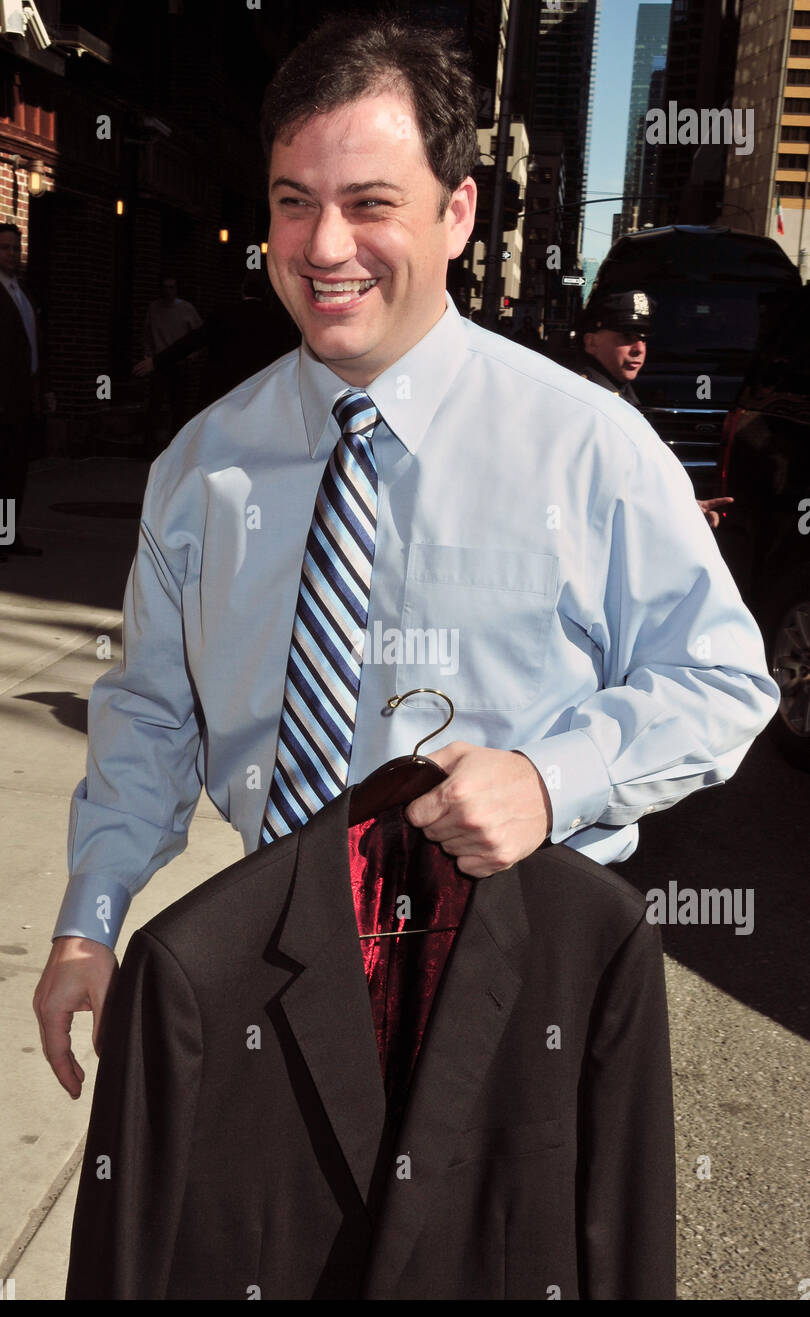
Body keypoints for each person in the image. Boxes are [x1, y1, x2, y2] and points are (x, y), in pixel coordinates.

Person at [34, 13, 779, 1101]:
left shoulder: (588, 450)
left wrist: (548, 777)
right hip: (272, 986)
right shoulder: (202, 468)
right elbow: (151, 713)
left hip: (509, 1002)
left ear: (459, 212)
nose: (325, 247)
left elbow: (722, 680)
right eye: (296, 203)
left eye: (370, 203)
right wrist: (88, 920)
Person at [572, 290, 732, 527]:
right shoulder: (584, 400)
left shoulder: (621, 392)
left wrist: (683, 507)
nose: (639, 348)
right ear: (591, 342)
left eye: (644, 338)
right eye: (627, 336)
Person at [133, 270, 299, 406]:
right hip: (259, 392)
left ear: (242, 289)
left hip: (222, 391)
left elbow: (191, 341)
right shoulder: (278, 322)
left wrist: (157, 361)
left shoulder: (224, 314)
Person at [0, 222, 44, 559]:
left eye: (16, 248)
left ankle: (6, 536)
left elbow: (35, 345)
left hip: (22, 397)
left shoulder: (25, 292)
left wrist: (45, 387)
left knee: (15, 471)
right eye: (5, 248)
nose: (12, 254)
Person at [142, 274, 202, 448]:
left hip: (179, 363)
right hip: (160, 362)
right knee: (155, 404)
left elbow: (198, 334)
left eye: (171, 287)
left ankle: (176, 444)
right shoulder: (154, 308)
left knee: (178, 405)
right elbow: (146, 333)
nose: (168, 291)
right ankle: (150, 444)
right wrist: (148, 352)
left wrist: (192, 355)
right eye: (165, 287)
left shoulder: (186, 309)